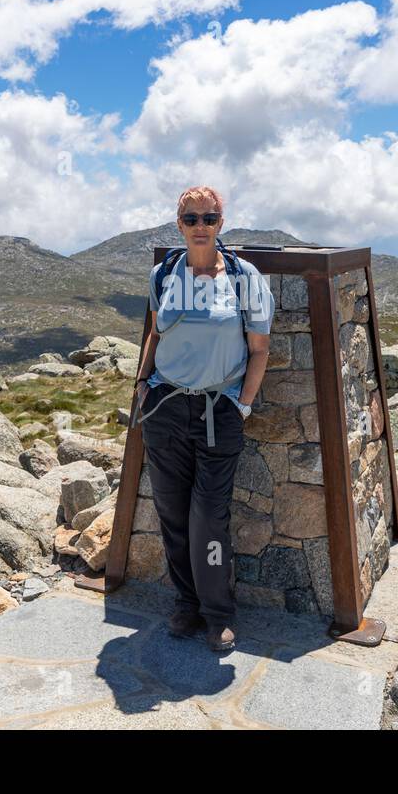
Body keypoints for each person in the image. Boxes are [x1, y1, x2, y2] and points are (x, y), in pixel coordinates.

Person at [130, 186, 274, 652]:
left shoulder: (243, 277)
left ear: (221, 223)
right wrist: (142, 382)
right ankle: (186, 603)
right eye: (190, 219)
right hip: (166, 406)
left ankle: (217, 614)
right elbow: (155, 331)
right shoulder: (164, 273)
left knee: (208, 516)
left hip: (218, 410)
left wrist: (243, 404)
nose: (199, 227)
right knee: (171, 511)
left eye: (208, 219)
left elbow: (259, 349)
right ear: (178, 224)